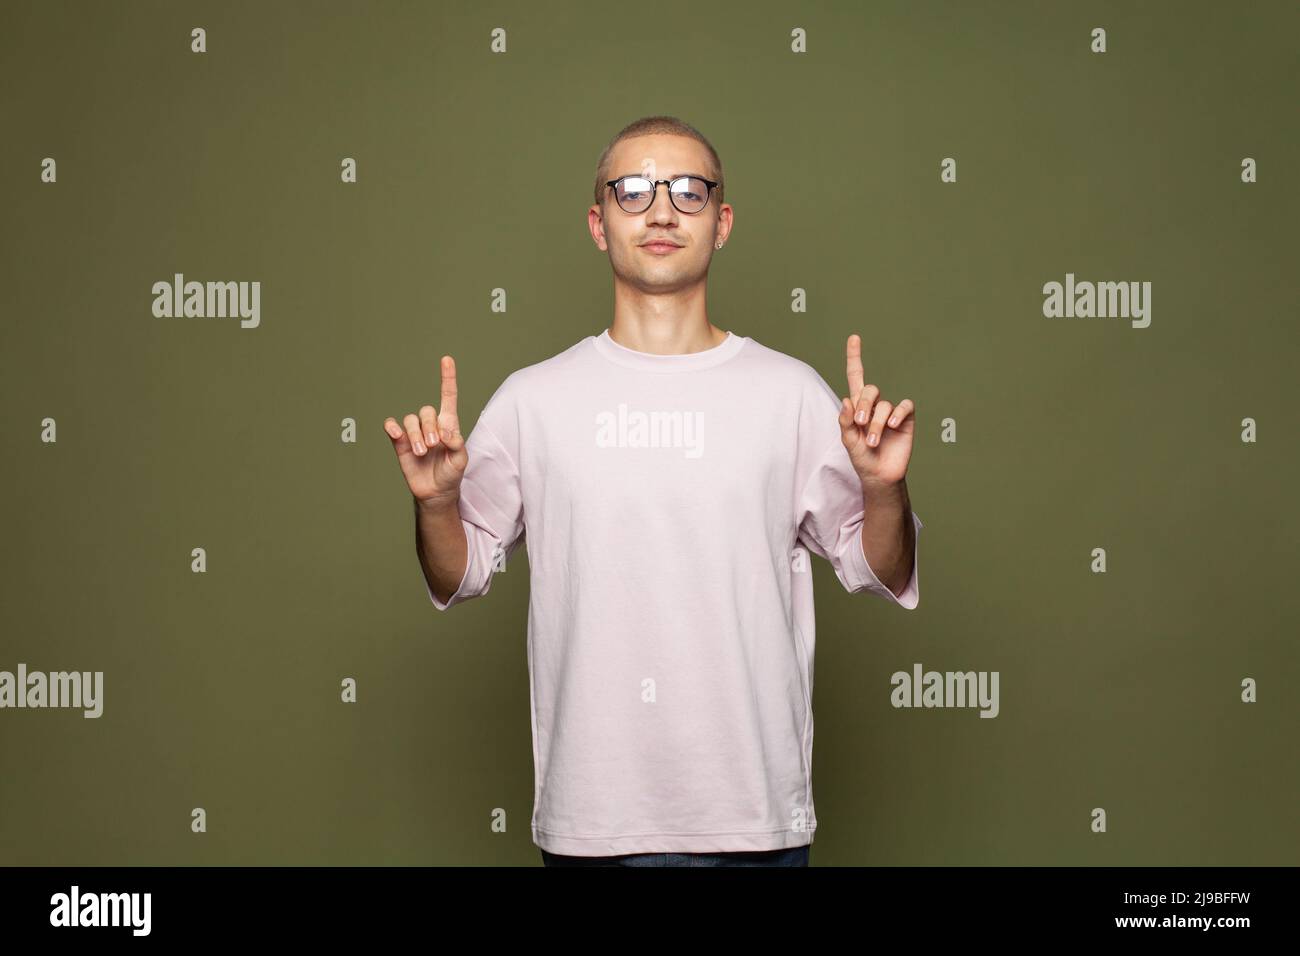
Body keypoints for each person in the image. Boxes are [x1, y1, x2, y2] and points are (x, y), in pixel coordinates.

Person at [383, 116, 923, 868]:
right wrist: (437, 504)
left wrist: (885, 489)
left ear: (721, 222)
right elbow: (456, 577)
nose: (662, 210)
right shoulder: (534, 399)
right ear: (598, 223)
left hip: (755, 823)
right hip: (594, 825)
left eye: (688, 191)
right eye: (633, 190)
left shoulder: (791, 394)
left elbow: (883, 571)